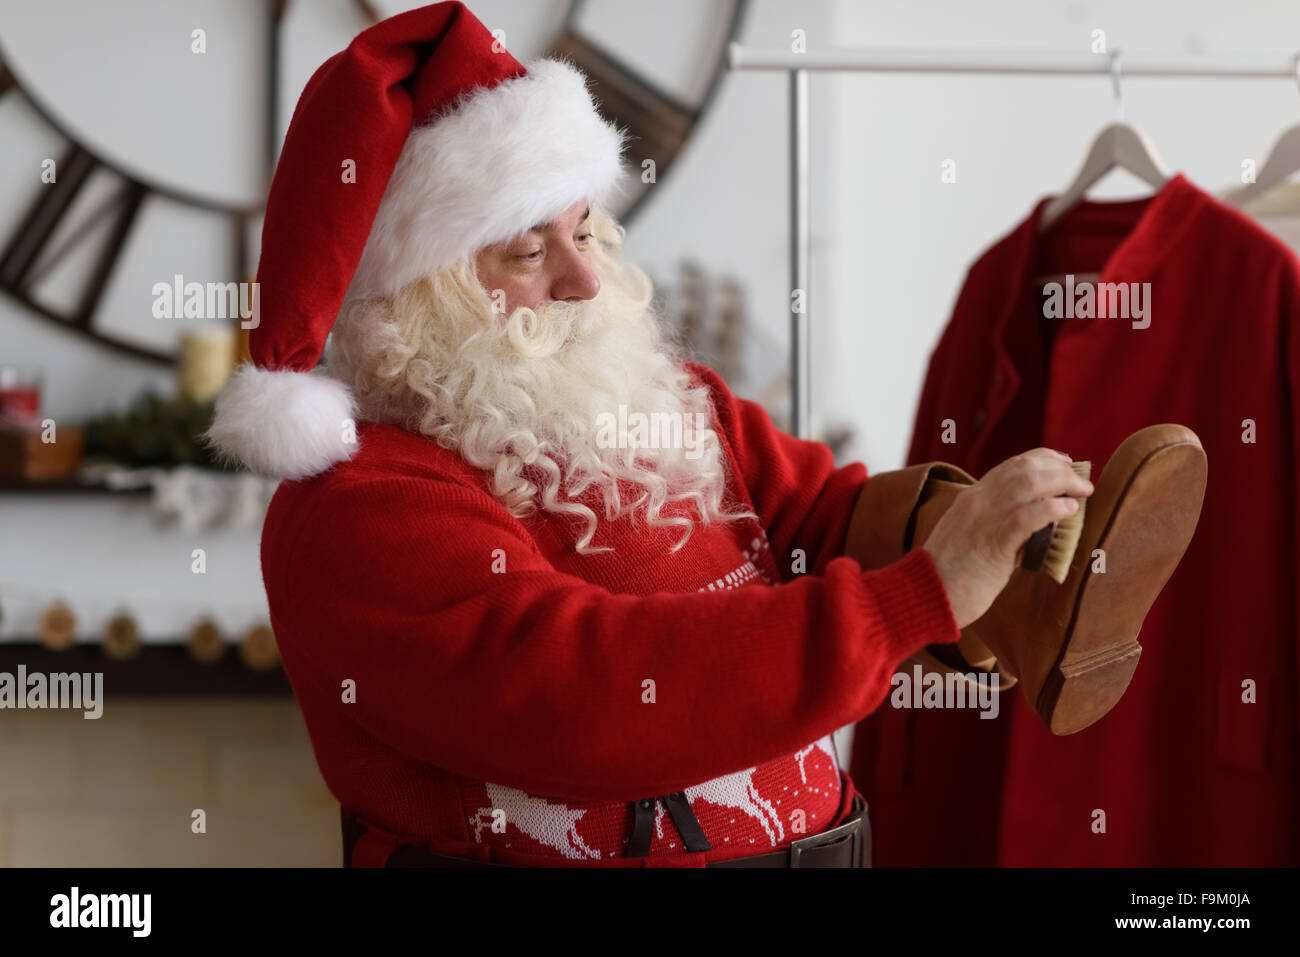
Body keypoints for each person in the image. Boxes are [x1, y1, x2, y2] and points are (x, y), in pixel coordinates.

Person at [206, 2, 1102, 867]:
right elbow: (587, 695)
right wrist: (919, 597)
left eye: (586, 230)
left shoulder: (667, 402)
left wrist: (972, 533)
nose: (585, 280)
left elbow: (824, 515)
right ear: (416, 296)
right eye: (529, 251)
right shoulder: (356, 511)